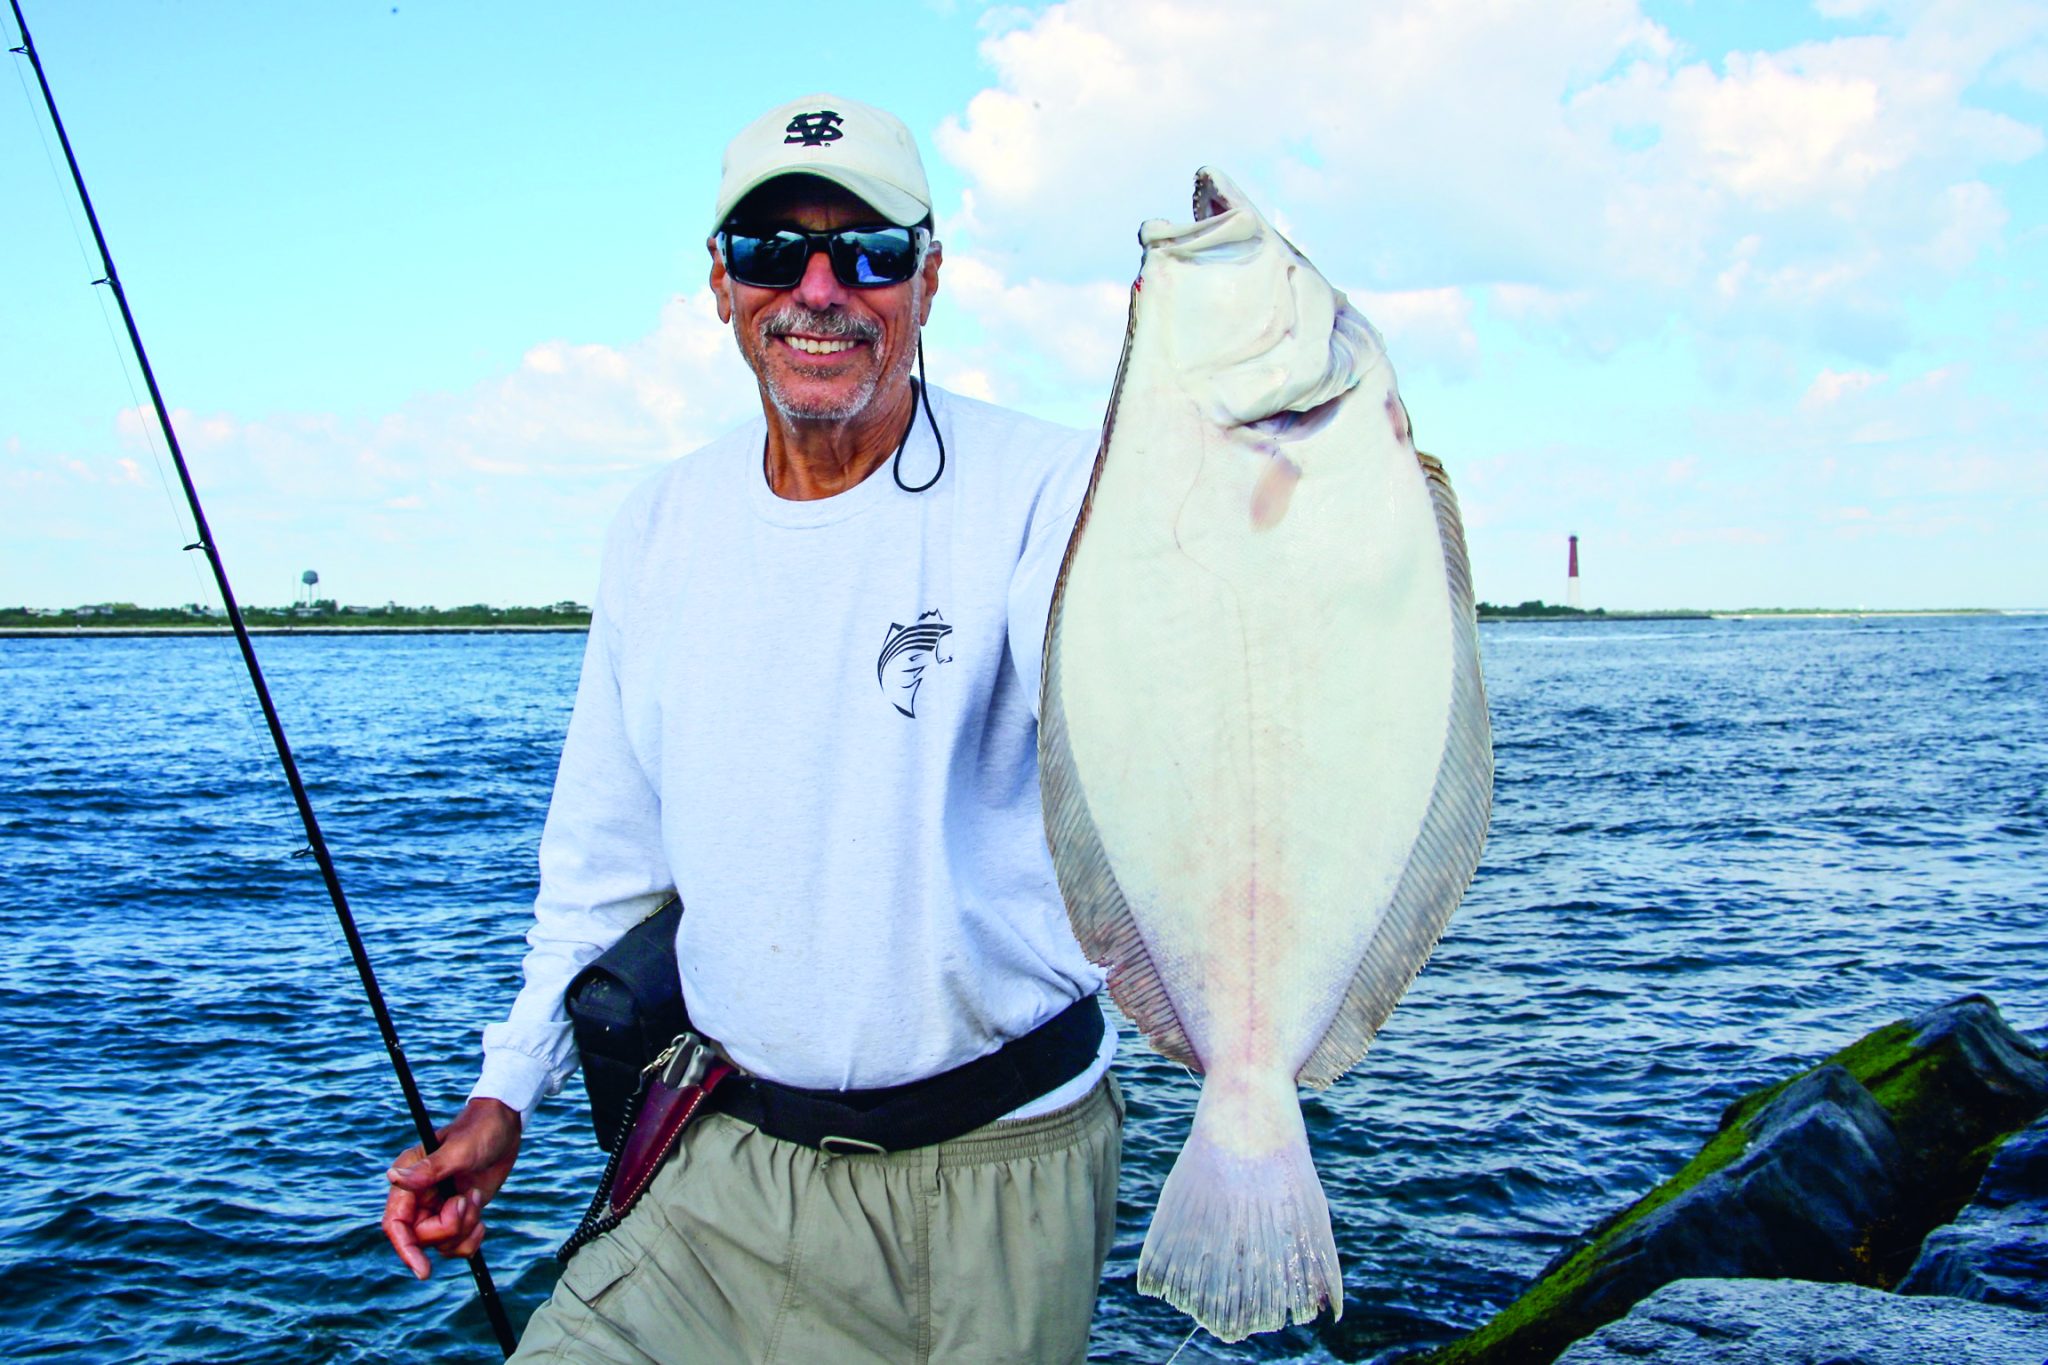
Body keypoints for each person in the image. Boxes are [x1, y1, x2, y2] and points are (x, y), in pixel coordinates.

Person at [381, 92, 1122, 1363]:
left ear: (929, 279)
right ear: (719, 284)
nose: (819, 289)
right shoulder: (658, 523)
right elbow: (604, 867)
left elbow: (1124, 721)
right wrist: (507, 1091)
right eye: (774, 252)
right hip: (719, 1155)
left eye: (870, 253)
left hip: (994, 1171)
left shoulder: (1056, 489)